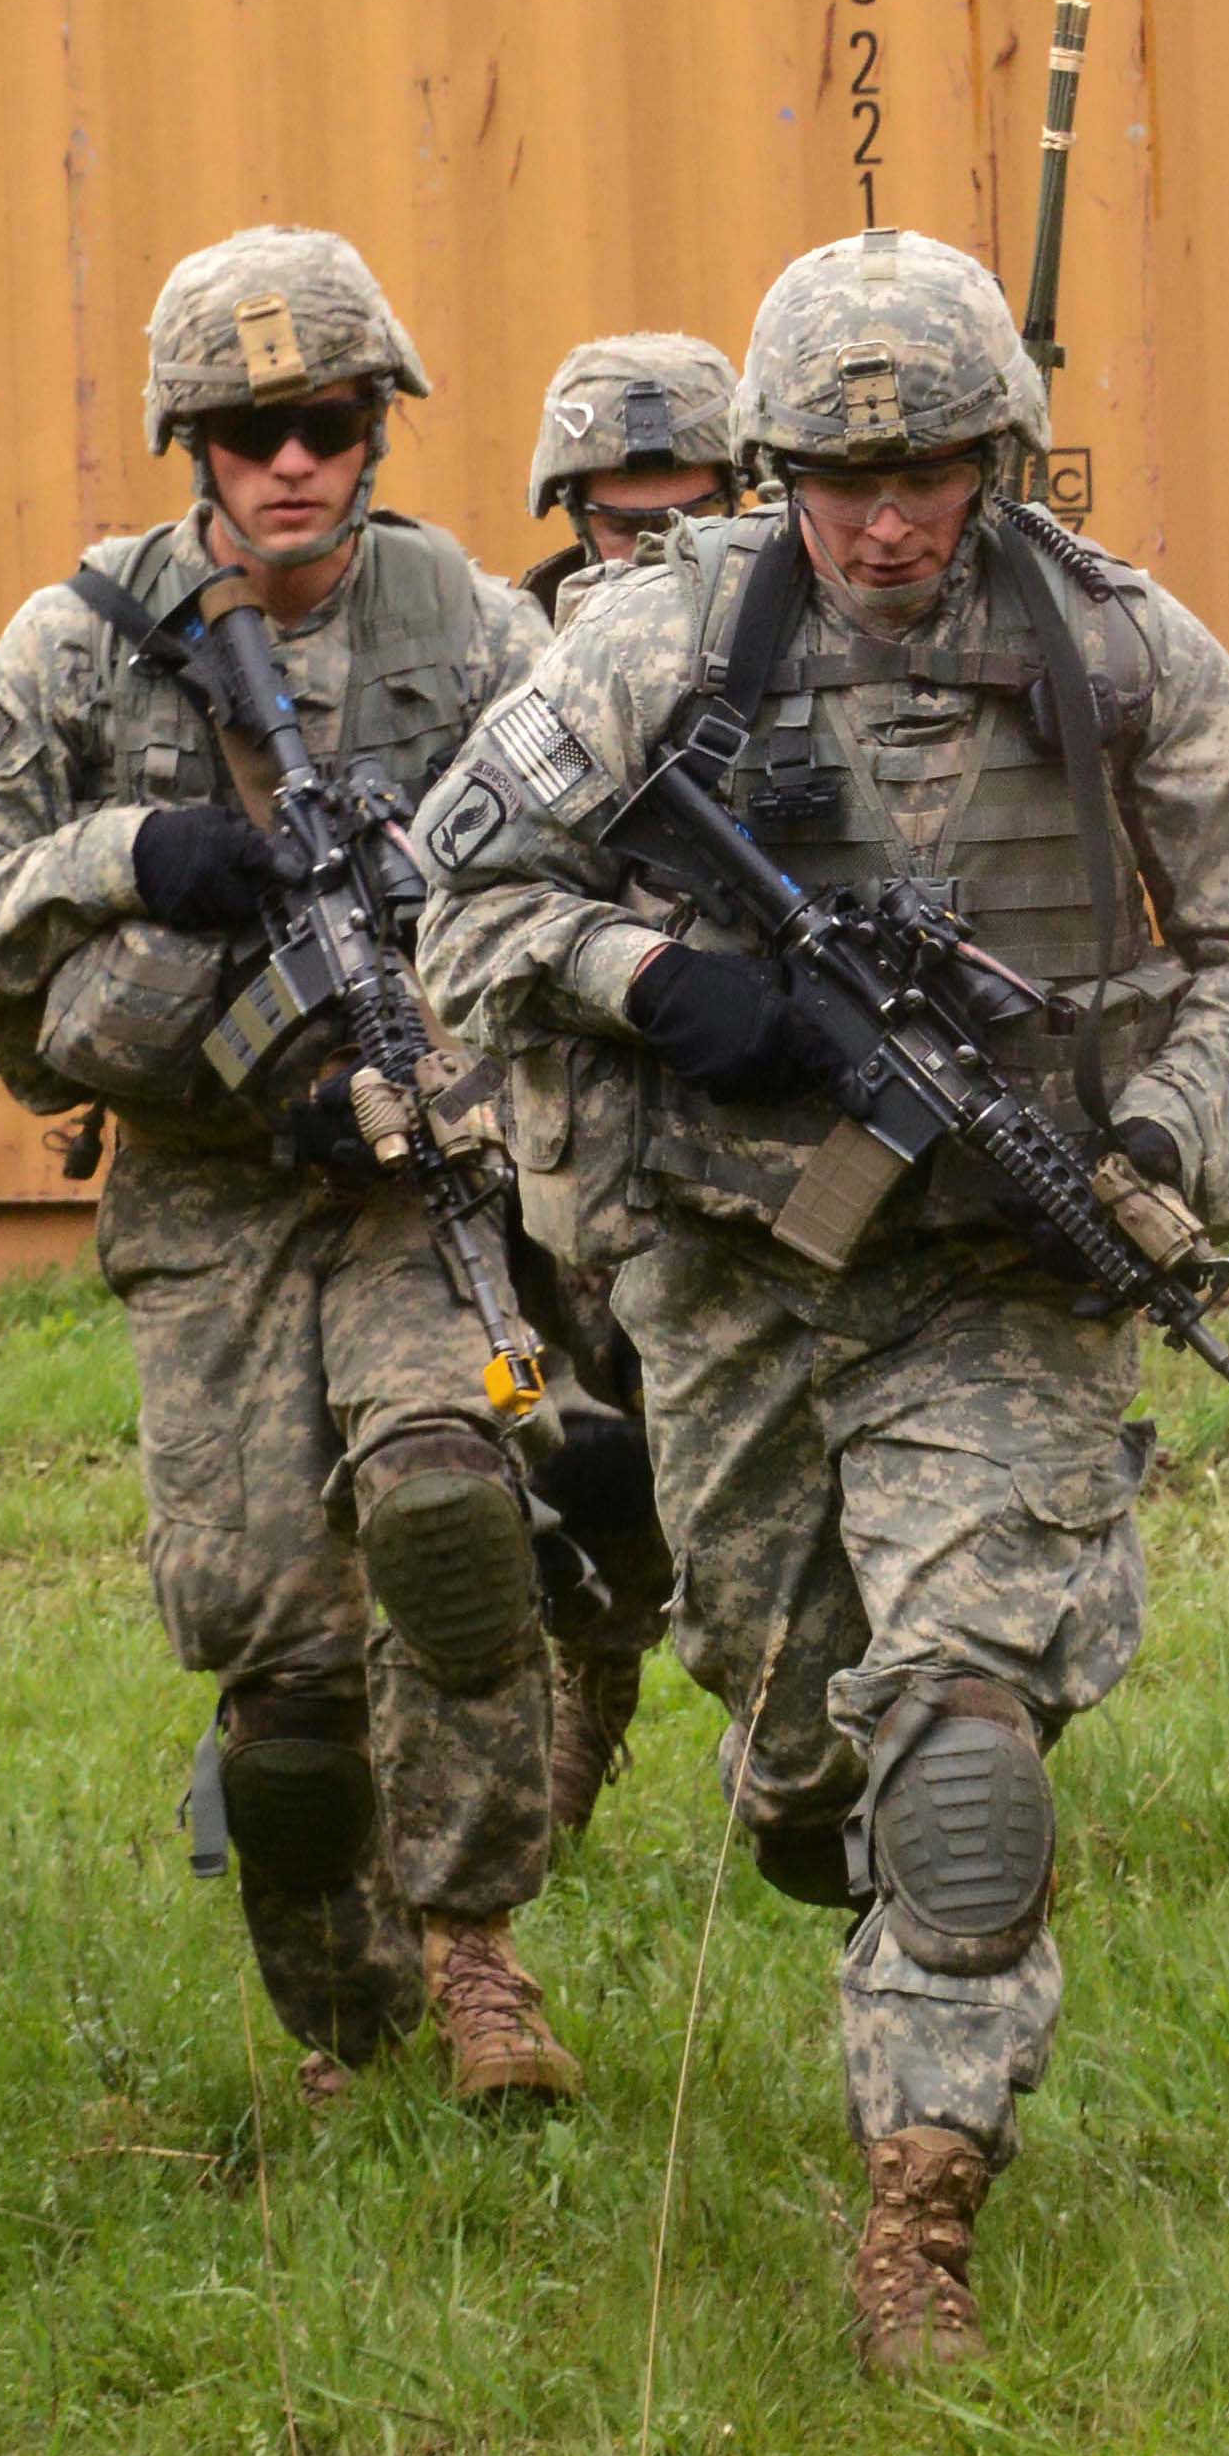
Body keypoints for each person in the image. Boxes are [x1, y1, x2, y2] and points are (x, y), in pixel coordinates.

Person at [417, 231, 1229, 2371]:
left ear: (996, 454)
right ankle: (801, 1794)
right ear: (776, 471)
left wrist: (1163, 1153)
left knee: (959, 1747)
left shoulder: (1119, 655)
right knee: (800, 1744)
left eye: (927, 465)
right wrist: (655, 977)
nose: (886, 518)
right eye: (838, 476)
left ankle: (919, 2219)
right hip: (731, 1280)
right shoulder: (661, 645)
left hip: (1004, 1284)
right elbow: (460, 900)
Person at [0, 228, 588, 2112]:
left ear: (378, 428)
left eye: (328, 421)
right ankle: (344, 2019)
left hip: (412, 1174)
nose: (293, 462)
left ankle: (474, 1956)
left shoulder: (471, 631)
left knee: (450, 1520)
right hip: (208, 1189)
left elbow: (610, 844)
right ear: (191, 444)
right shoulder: (81, 643)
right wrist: (128, 855)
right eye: (250, 428)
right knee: (278, 1661)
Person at [497, 326, 754, 1820]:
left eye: (694, 512)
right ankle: (577, 1704)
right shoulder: (506, 666)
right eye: (622, 516)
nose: (658, 545)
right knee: (570, 1464)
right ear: (569, 510)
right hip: (553, 1144)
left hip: (749, 1133)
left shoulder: (792, 646)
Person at [519, 328, 744, 619]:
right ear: (580, 522)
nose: (659, 556)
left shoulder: (804, 633)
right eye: (625, 528)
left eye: (691, 527)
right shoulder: (529, 650)